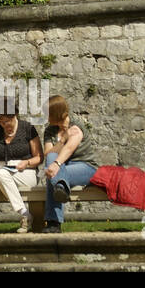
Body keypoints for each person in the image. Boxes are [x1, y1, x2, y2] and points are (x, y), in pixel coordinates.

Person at [0, 103, 43, 234]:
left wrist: (26, 162)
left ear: (15, 116)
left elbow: (39, 157)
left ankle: (24, 215)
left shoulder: (27, 128)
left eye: (8, 121)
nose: (5, 125)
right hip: (2, 169)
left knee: (1, 174)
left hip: (26, 170)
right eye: (1, 122)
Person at [41, 95, 98, 232]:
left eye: (47, 114)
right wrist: (62, 140)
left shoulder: (76, 126)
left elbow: (70, 148)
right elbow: (48, 153)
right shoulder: (50, 130)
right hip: (63, 168)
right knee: (52, 167)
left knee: (52, 172)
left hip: (85, 166)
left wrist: (56, 164)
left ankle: (53, 223)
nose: (46, 117)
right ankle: (61, 187)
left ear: (56, 113)